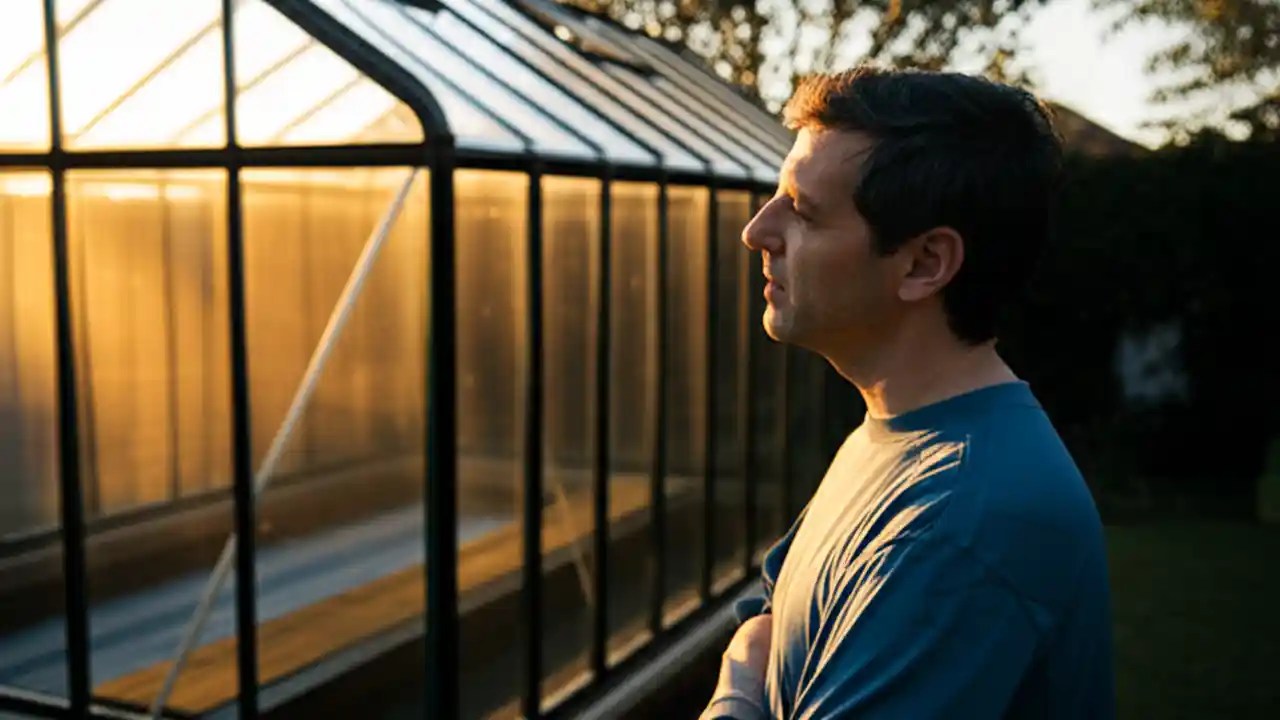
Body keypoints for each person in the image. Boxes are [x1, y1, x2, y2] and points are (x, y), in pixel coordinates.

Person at [701, 67, 1114, 719]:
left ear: (924, 264)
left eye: (804, 211)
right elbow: (766, 621)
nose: (758, 231)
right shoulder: (894, 429)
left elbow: (756, 646)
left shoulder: (963, 522)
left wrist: (734, 690)